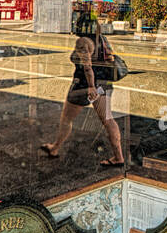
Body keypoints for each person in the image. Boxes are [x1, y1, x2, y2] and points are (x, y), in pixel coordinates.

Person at [41, 32, 124, 167]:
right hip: (104, 84)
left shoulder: (84, 41)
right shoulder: (101, 39)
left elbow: (87, 66)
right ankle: (118, 157)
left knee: (66, 119)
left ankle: (55, 148)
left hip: (84, 86)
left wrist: (91, 86)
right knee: (108, 120)